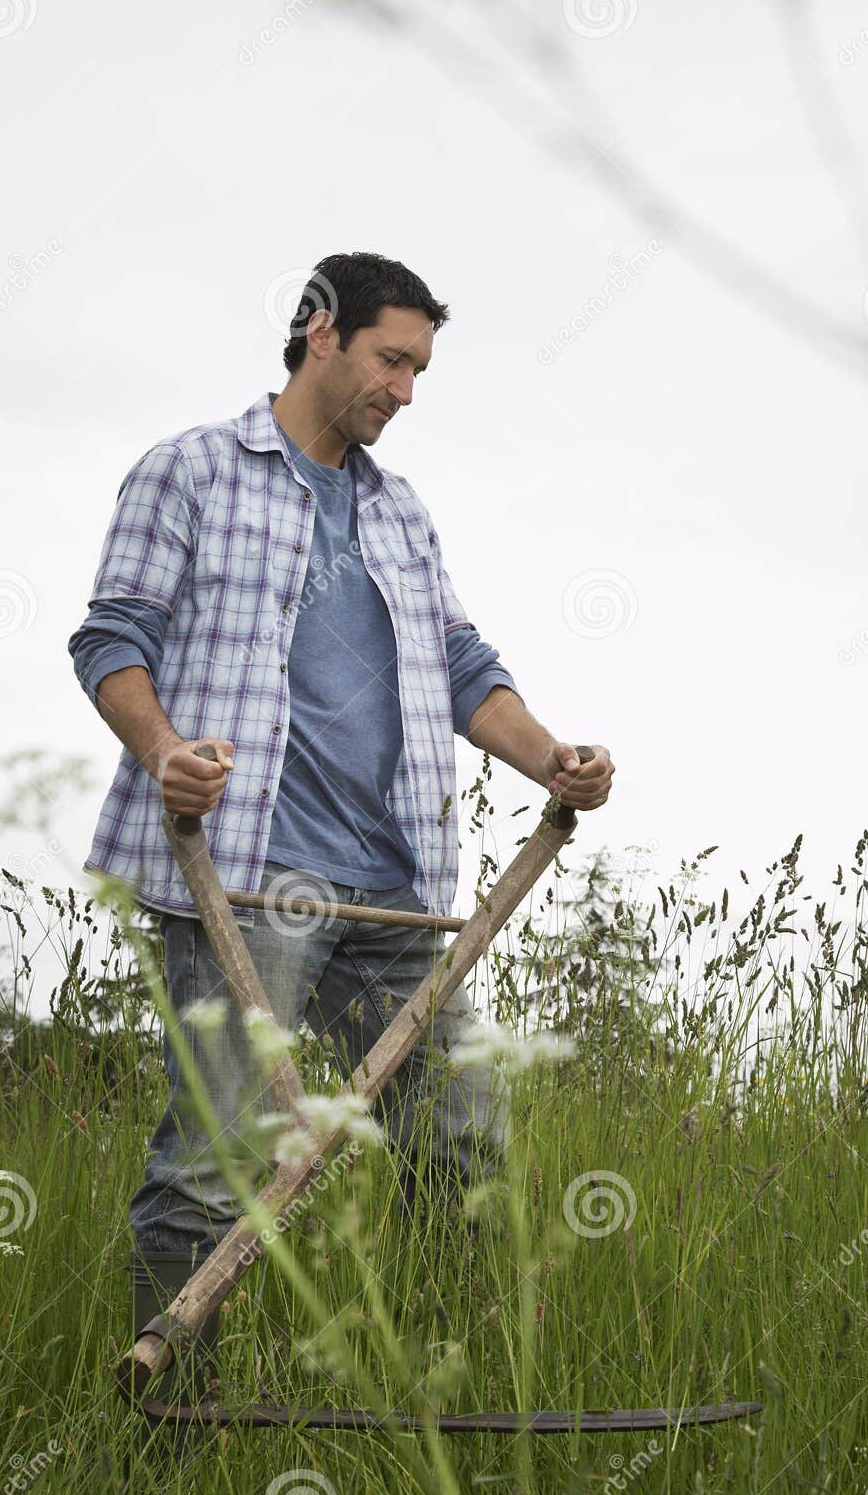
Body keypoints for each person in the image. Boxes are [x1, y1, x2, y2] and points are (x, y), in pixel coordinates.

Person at [68, 251, 614, 1391]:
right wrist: (164, 750)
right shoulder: (192, 472)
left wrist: (550, 760)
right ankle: (176, 1417)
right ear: (319, 329)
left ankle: (431, 1387)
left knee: (460, 1140)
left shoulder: (399, 512)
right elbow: (111, 635)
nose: (405, 390)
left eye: (418, 369)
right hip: (246, 875)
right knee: (215, 1160)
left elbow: (465, 668)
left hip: (393, 887)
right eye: (390, 359)